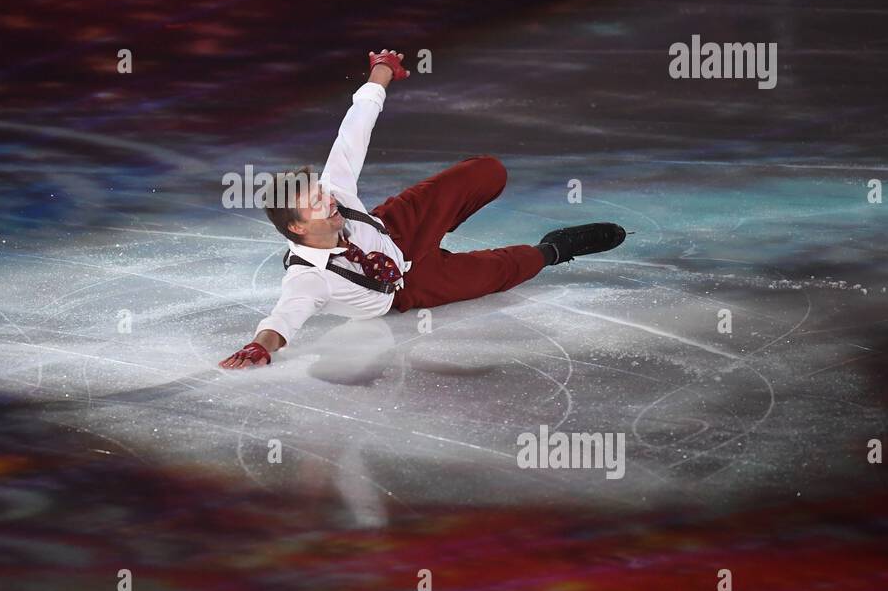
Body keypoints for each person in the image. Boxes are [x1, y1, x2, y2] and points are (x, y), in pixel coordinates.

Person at [219, 50, 626, 370]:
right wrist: (260, 345)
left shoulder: (336, 195)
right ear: (297, 228)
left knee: (488, 171)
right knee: (506, 268)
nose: (328, 200)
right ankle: (554, 249)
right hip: (408, 287)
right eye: (315, 204)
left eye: (320, 193)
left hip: (398, 225)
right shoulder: (308, 279)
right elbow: (283, 318)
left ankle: (477, 201)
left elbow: (353, 132)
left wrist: (380, 73)